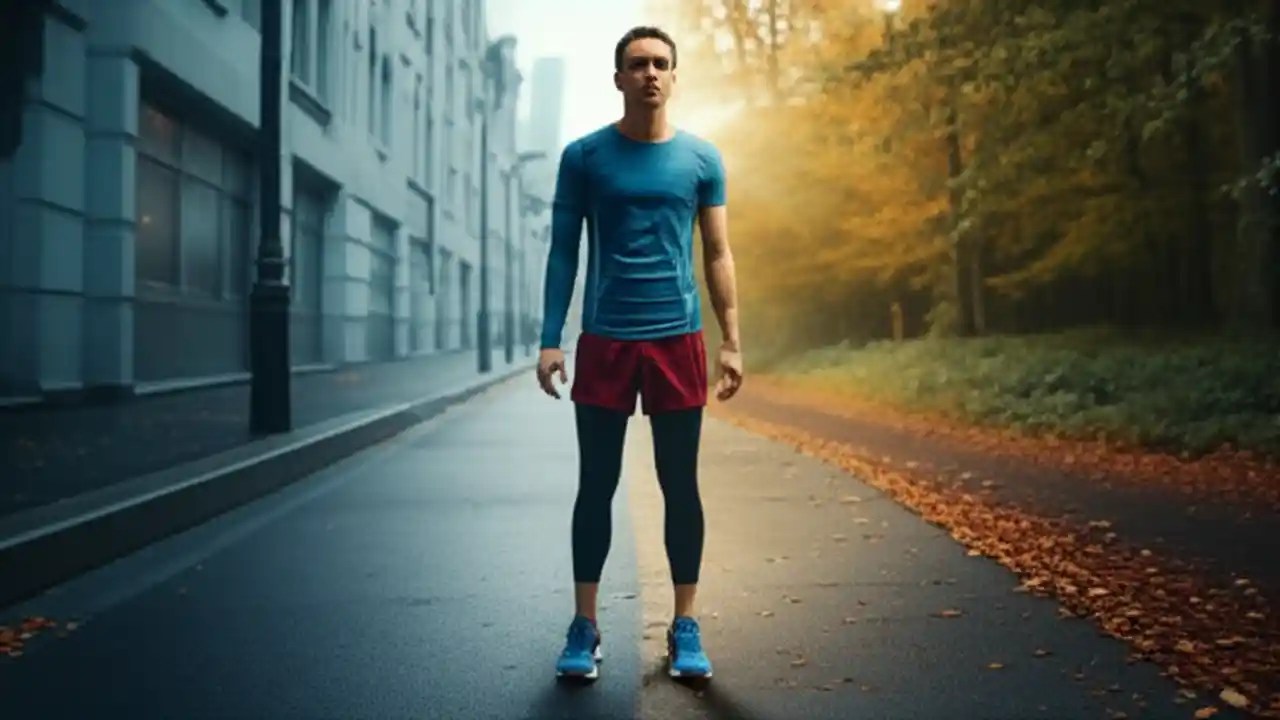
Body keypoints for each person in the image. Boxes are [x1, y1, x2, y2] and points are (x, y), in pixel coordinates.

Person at [535, 25, 743, 682]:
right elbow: (564, 249)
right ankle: (585, 626)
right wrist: (550, 338)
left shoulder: (702, 160)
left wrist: (732, 338)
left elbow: (717, 252)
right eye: (636, 64)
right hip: (605, 341)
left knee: (680, 484)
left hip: (677, 340)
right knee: (596, 485)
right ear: (619, 77)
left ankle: (685, 625)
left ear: (674, 76)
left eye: (660, 63)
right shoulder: (585, 157)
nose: (649, 73)